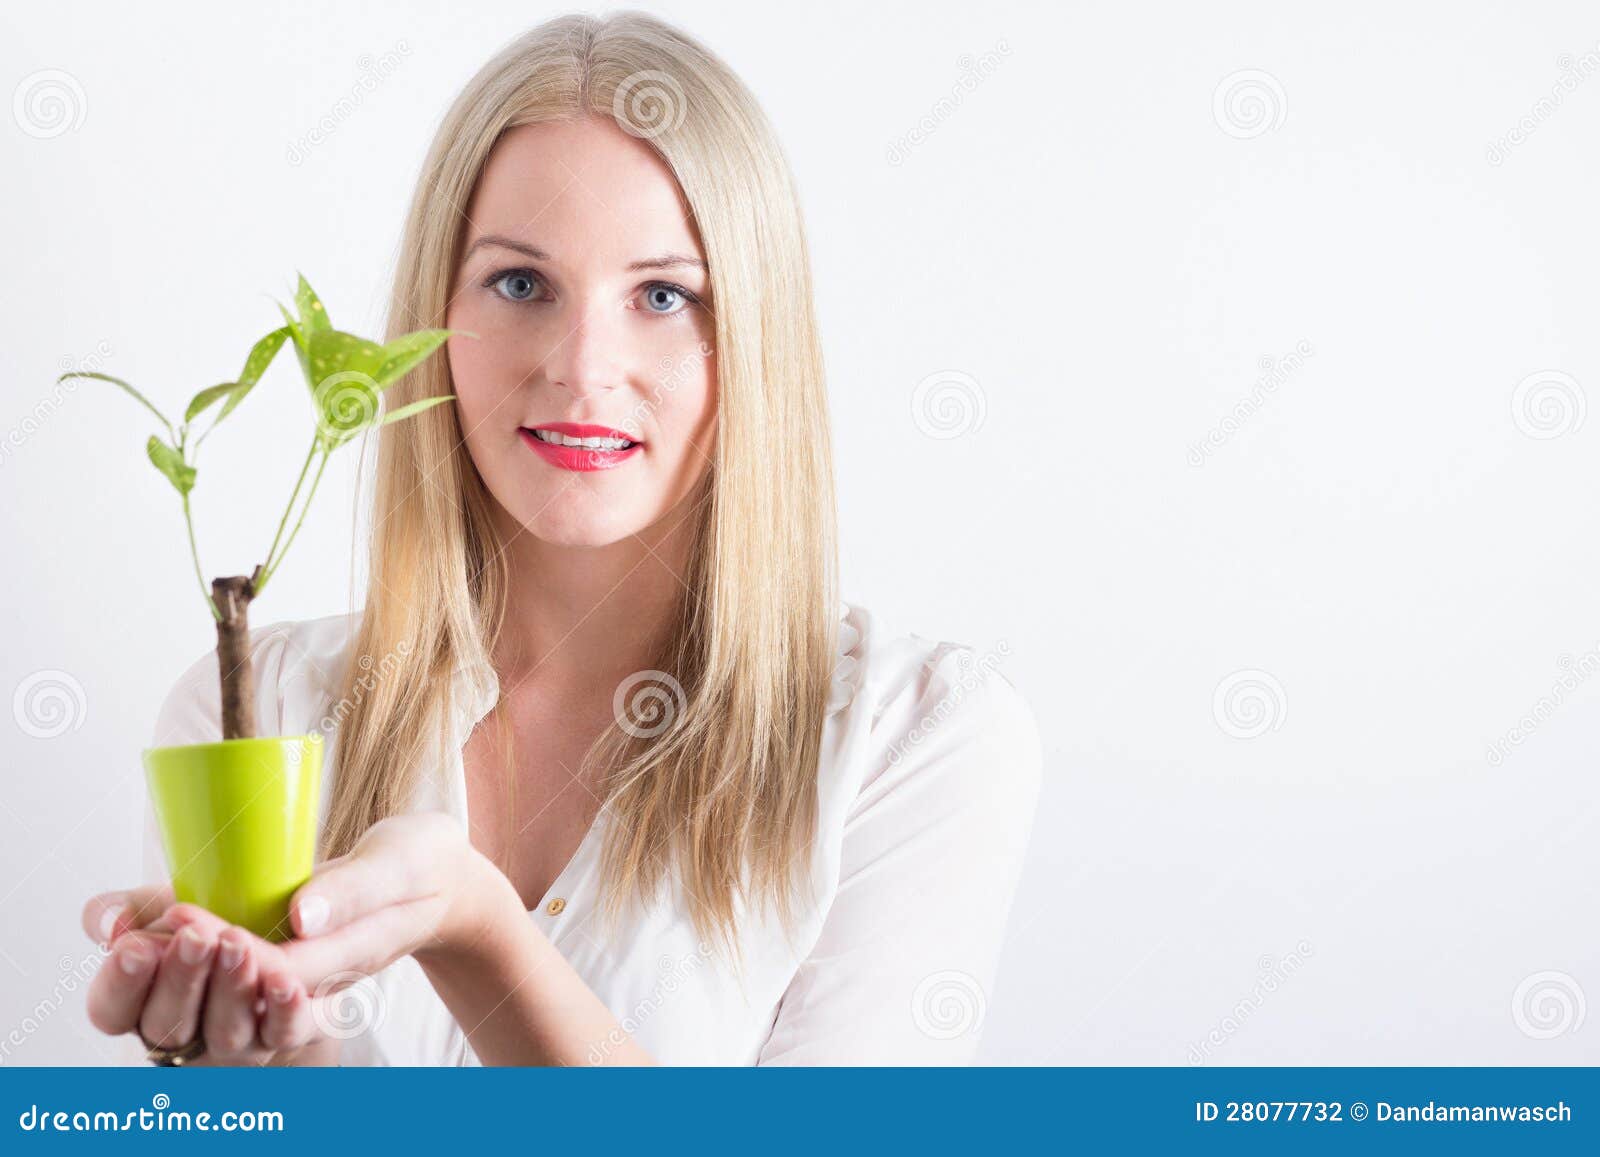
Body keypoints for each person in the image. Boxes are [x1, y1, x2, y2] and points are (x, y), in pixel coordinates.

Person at [81, 11, 1042, 1066]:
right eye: (521, 284)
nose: (583, 368)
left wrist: (481, 937)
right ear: (433, 314)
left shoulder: (914, 742)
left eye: (664, 295)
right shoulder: (255, 714)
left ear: (753, 341)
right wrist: (293, 1080)